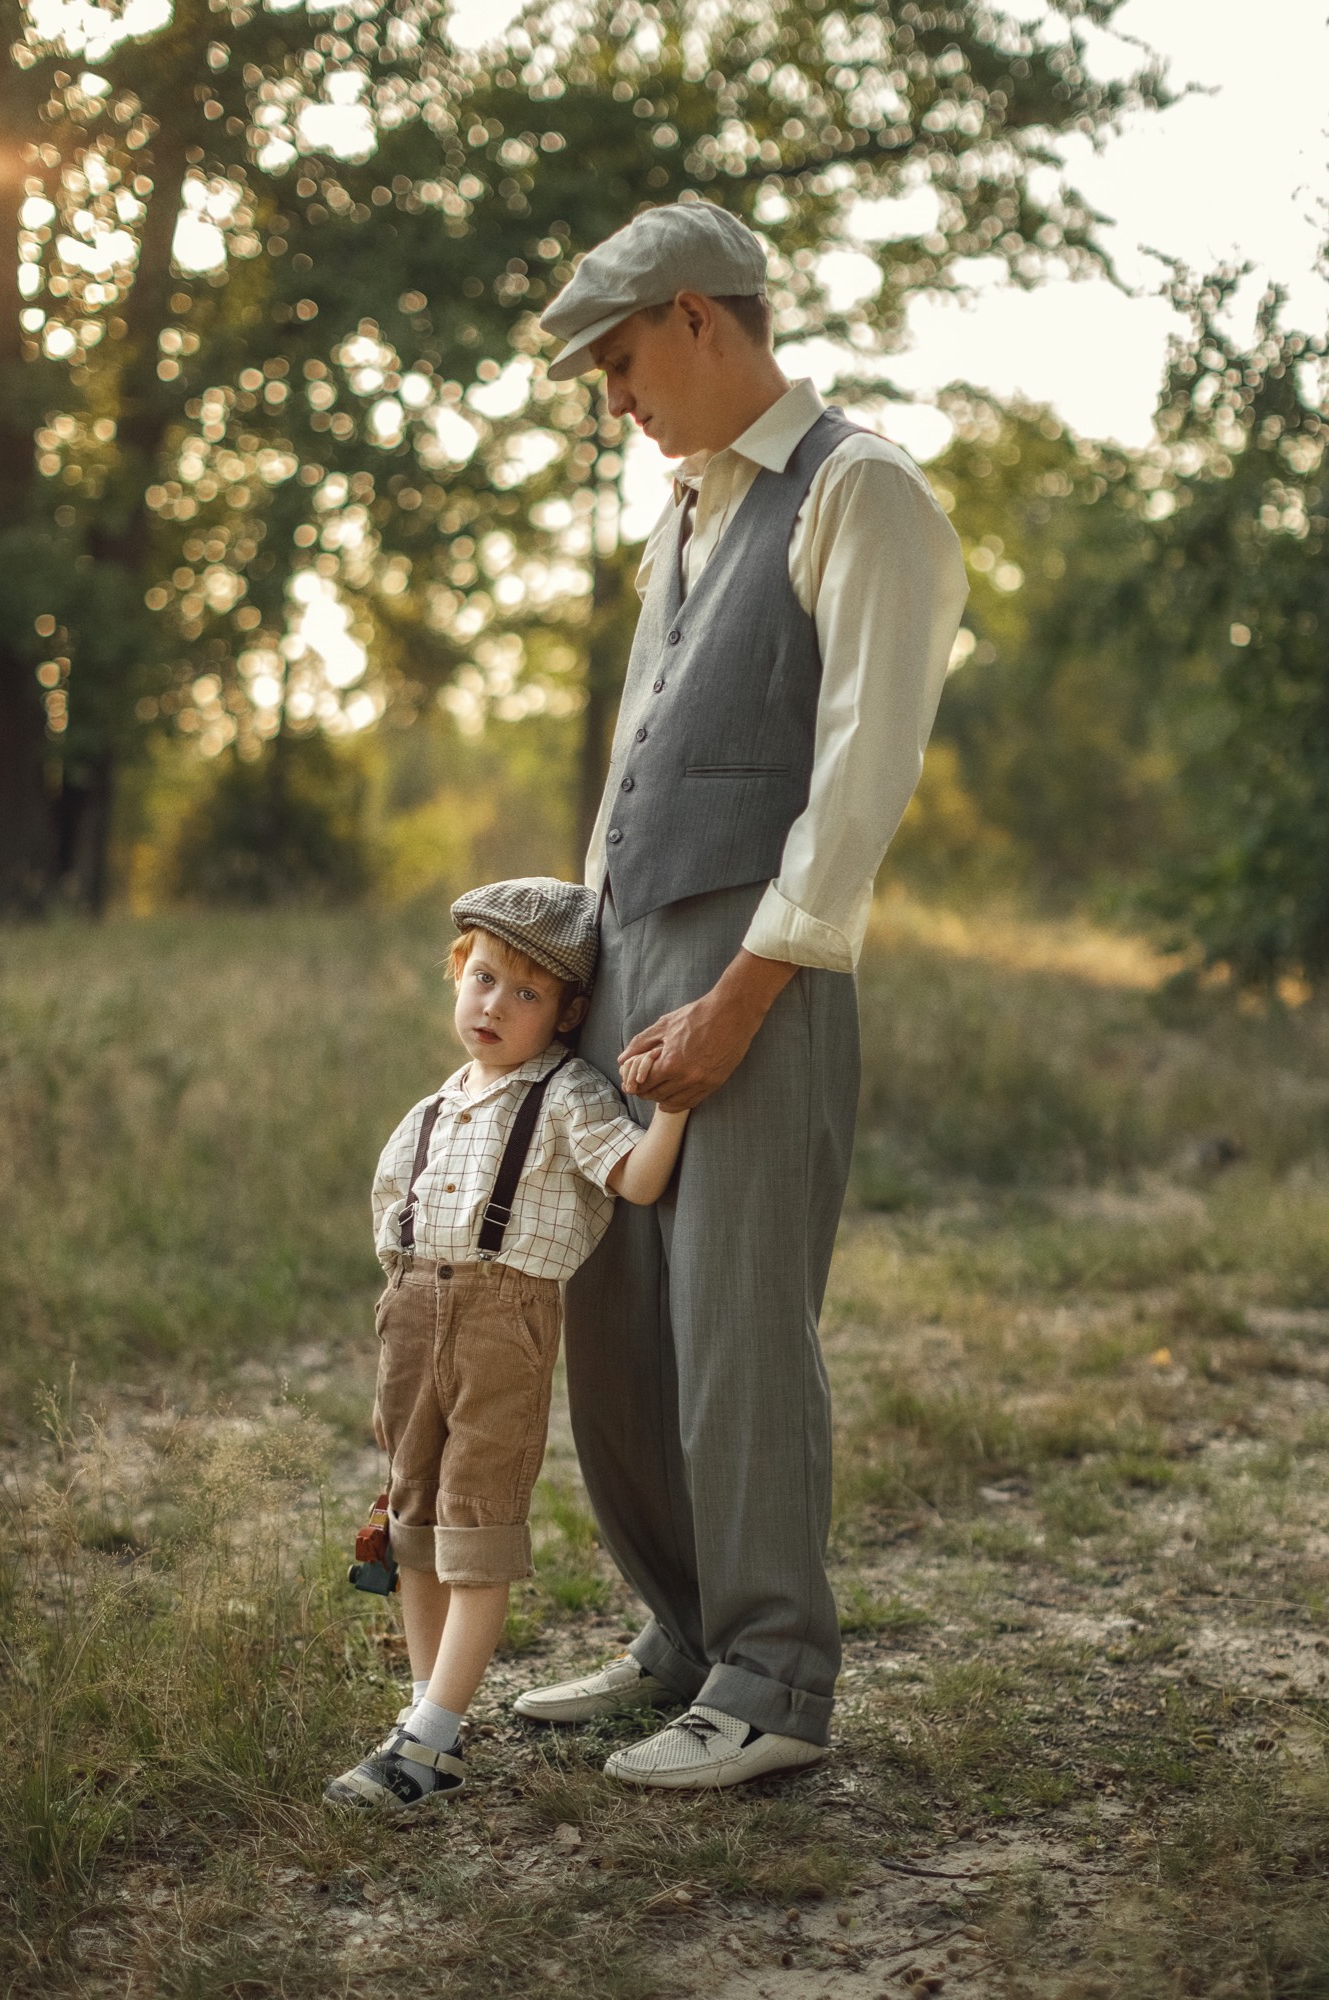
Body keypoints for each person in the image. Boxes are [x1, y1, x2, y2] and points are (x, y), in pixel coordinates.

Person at [511, 204, 968, 1788]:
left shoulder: (864, 492)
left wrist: (736, 997)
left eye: (623, 362)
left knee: (735, 1335)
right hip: (632, 962)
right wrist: (578, 969)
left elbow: (857, 788)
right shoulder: (687, 516)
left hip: (763, 971)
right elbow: (642, 765)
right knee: (619, 1324)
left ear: (702, 319)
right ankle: (682, 1642)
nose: (614, 399)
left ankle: (773, 1681)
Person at [325, 876, 689, 1812]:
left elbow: (637, 1180)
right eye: (483, 978)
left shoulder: (567, 1094)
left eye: (526, 993)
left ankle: (431, 1738)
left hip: (504, 1318)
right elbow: (387, 1215)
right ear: (456, 975)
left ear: (567, 1016)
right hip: (409, 1314)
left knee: (477, 1520)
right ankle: (425, 1721)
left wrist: (677, 1105)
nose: (495, 1004)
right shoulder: (433, 1108)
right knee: (412, 1519)